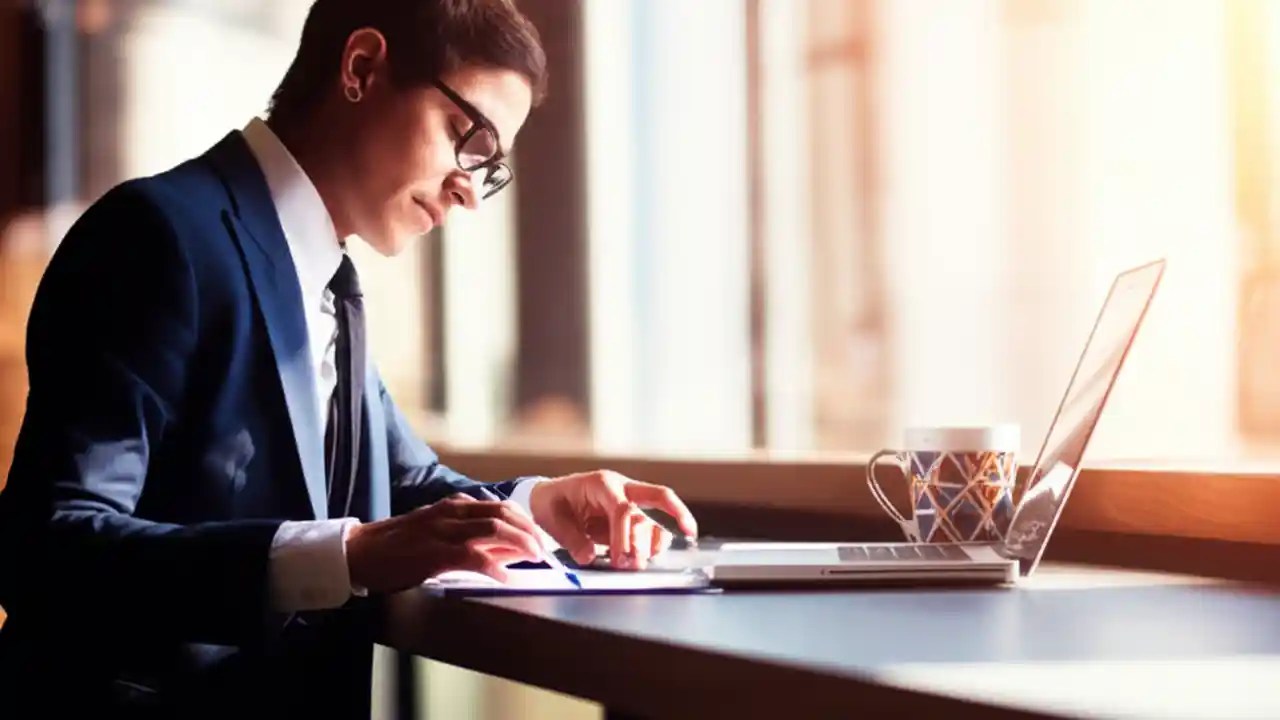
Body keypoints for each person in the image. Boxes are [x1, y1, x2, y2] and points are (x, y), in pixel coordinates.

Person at [0, 1, 698, 717]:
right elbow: (49, 547)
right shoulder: (158, 237)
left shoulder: (331, 282)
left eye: (490, 168)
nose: (469, 191)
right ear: (362, 68)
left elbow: (402, 487)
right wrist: (348, 556)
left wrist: (539, 506)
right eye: (467, 137)